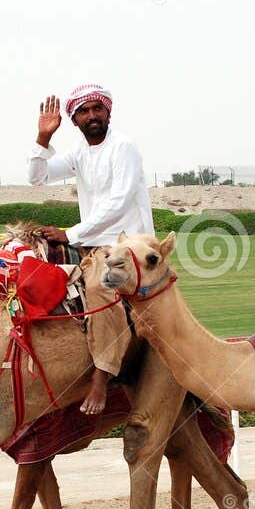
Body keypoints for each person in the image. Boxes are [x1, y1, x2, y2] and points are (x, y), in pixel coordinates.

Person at [27, 83, 152, 414]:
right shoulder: (79, 154)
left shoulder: (123, 147)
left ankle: (102, 375)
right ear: (74, 120)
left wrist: (71, 234)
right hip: (92, 243)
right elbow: (36, 178)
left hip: (129, 243)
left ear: (108, 112)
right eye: (84, 111)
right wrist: (43, 139)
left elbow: (119, 200)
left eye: (98, 109)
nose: (92, 116)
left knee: (99, 285)